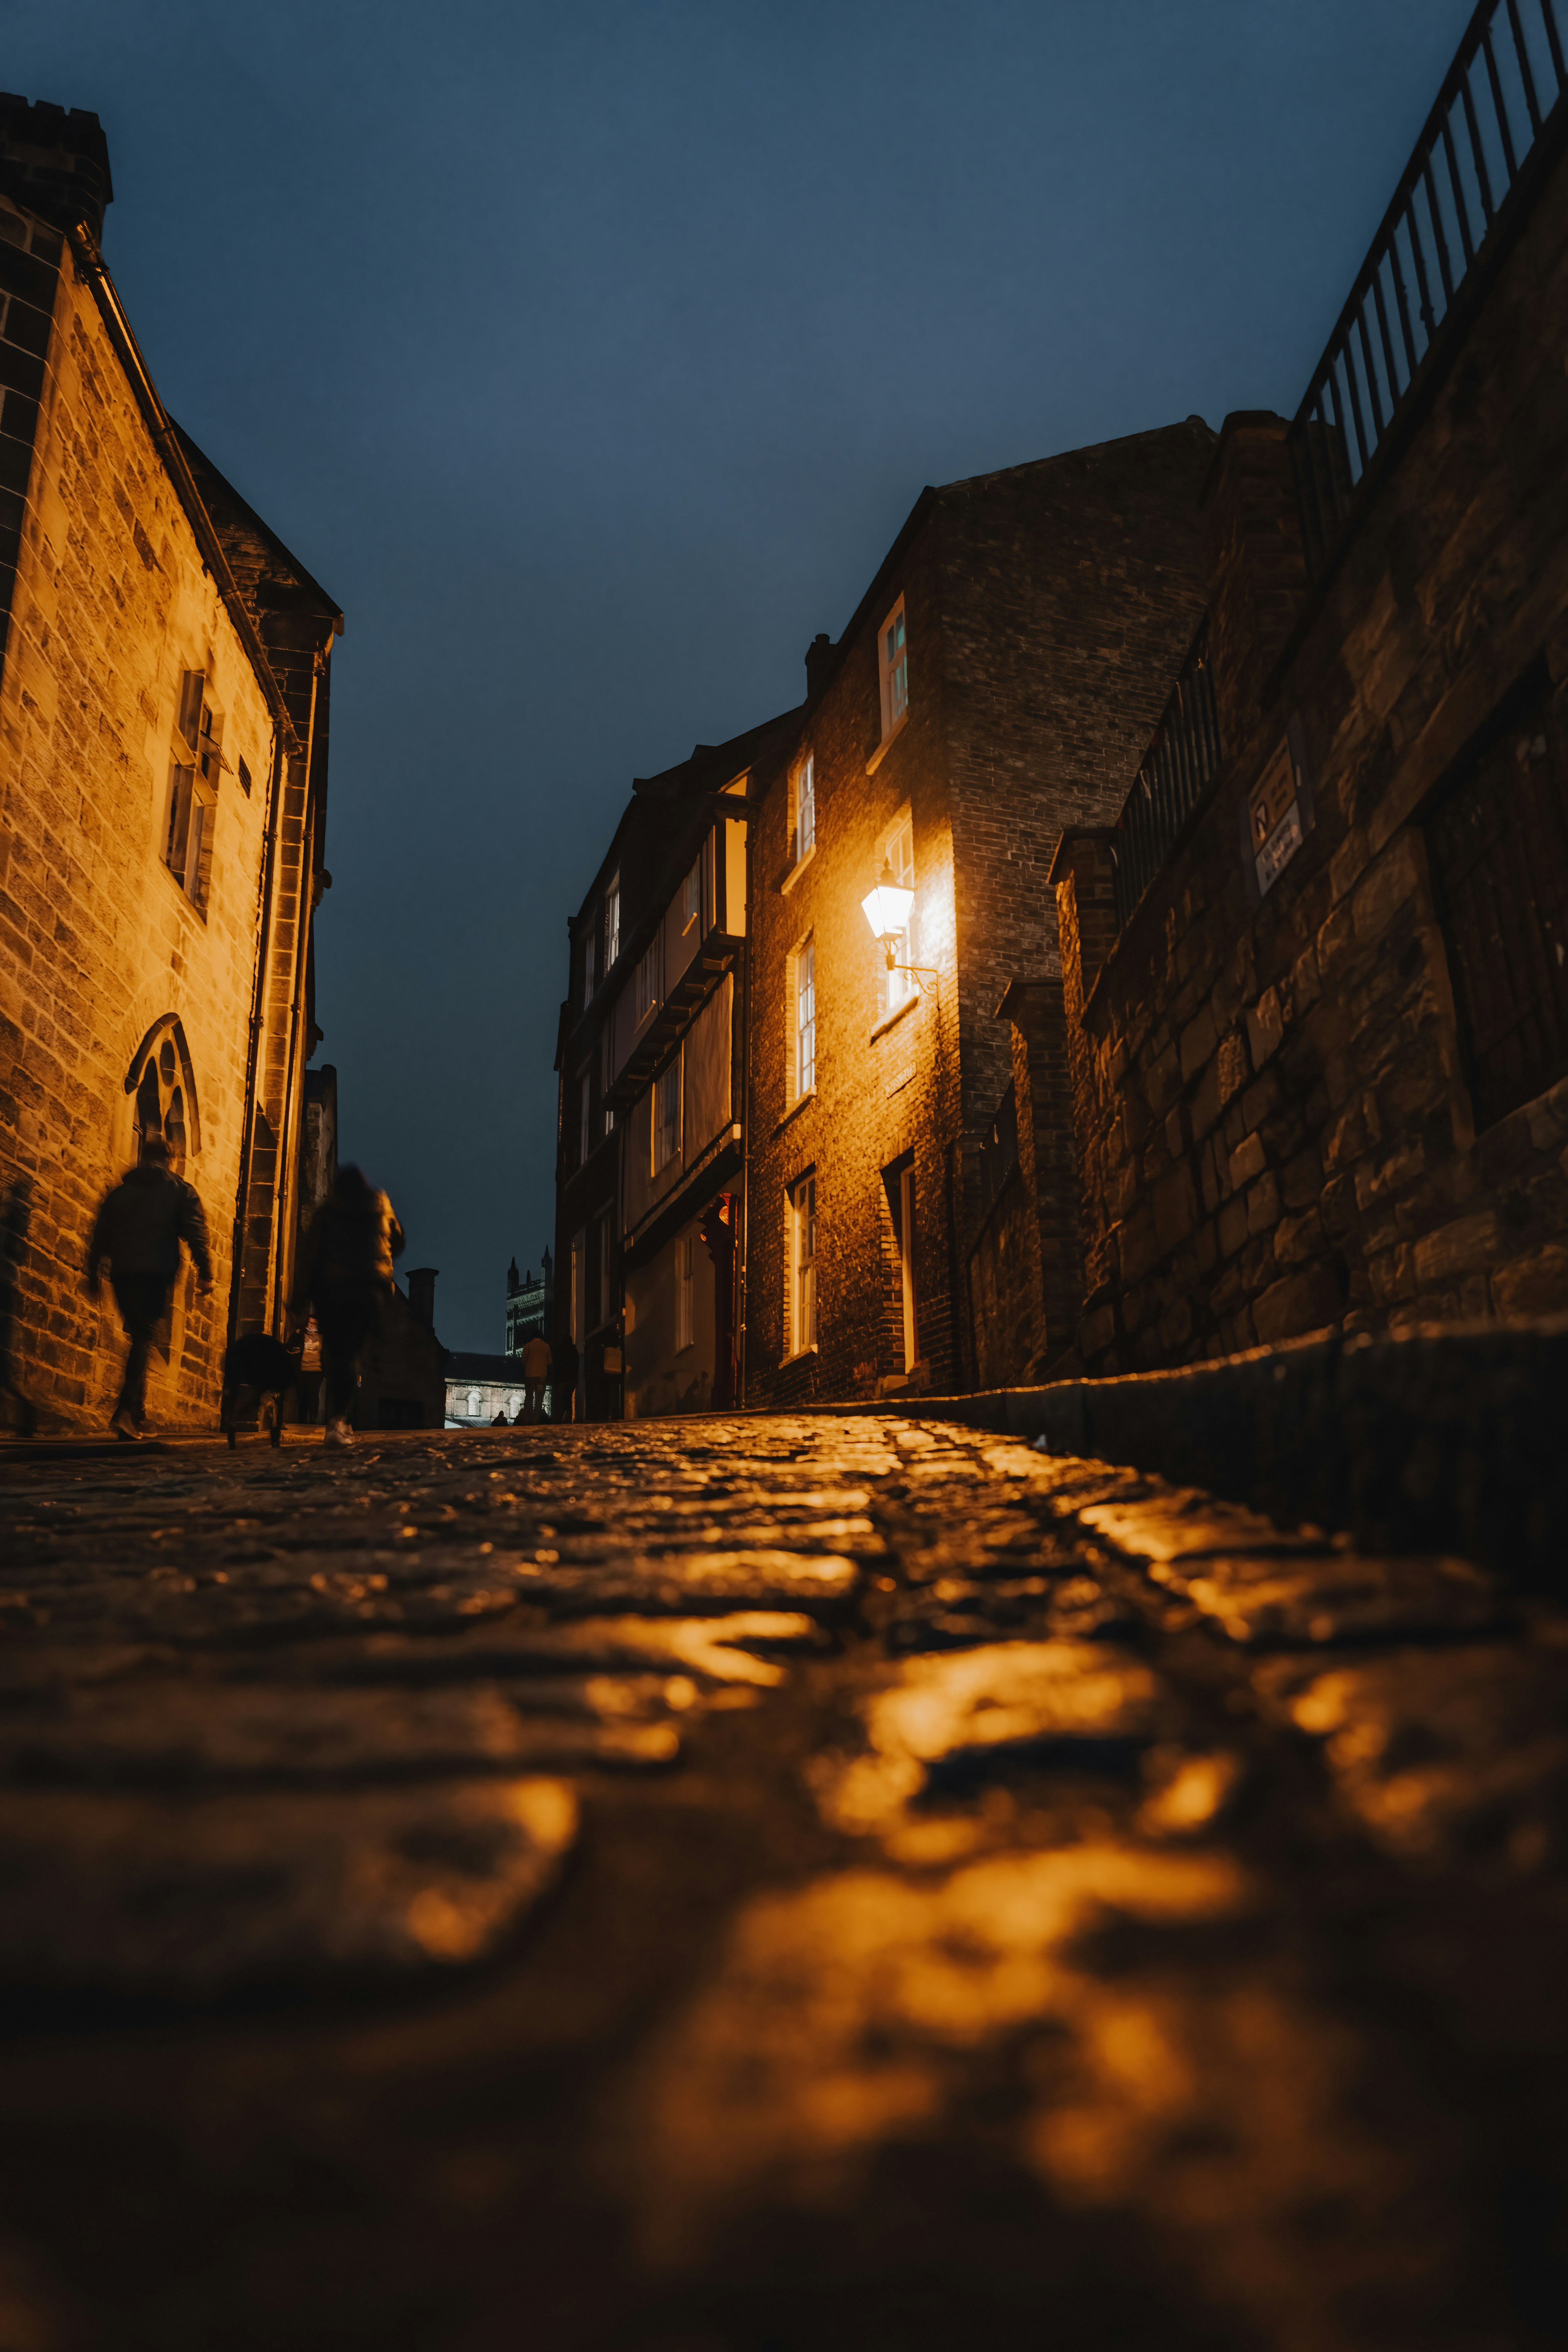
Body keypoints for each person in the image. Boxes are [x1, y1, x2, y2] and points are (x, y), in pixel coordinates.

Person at [86, 1131, 212, 1440]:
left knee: (139, 1335)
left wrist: (93, 1273)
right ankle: (126, 1412)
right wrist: (207, 1272)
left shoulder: (120, 1193)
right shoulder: (179, 1189)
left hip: (124, 1272)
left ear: (144, 1157)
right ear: (169, 1159)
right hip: (156, 1272)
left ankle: (137, 1415)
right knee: (144, 1337)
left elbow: (101, 1233)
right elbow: (195, 1231)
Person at [292, 1165, 404, 1448]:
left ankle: (337, 1420)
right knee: (353, 1353)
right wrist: (382, 1256)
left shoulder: (328, 1211)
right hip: (368, 1290)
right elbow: (400, 1240)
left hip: (333, 1290)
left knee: (339, 1356)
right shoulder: (381, 1205)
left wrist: (299, 1302)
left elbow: (311, 1257)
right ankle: (342, 1420)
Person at [521, 1328, 551, 1422]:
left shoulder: (528, 1346)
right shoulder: (546, 1346)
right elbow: (550, 1362)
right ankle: (535, 1421)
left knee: (529, 1398)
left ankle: (527, 1420)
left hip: (530, 1376)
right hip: (541, 1377)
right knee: (539, 1400)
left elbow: (523, 1361)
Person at [553, 1331, 579, 1422]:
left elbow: (556, 1366)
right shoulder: (574, 1352)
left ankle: (560, 1419)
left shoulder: (560, 1351)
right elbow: (577, 1366)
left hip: (562, 1380)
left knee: (561, 1400)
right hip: (571, 1380)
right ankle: (569, 1418)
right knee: (569, 1399)